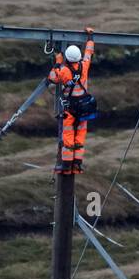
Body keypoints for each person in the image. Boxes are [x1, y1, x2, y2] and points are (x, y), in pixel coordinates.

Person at [48, 28, 96, 174]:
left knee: (68, 134)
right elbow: (89, 52)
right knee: (80, 133)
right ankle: (77, 163)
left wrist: (57, 62)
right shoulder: (85, 65)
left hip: (71, 108)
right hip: (84, 106)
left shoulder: (64, 71)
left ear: (67, 58)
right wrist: (90, 36)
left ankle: (67, 165)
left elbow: (52, 77)